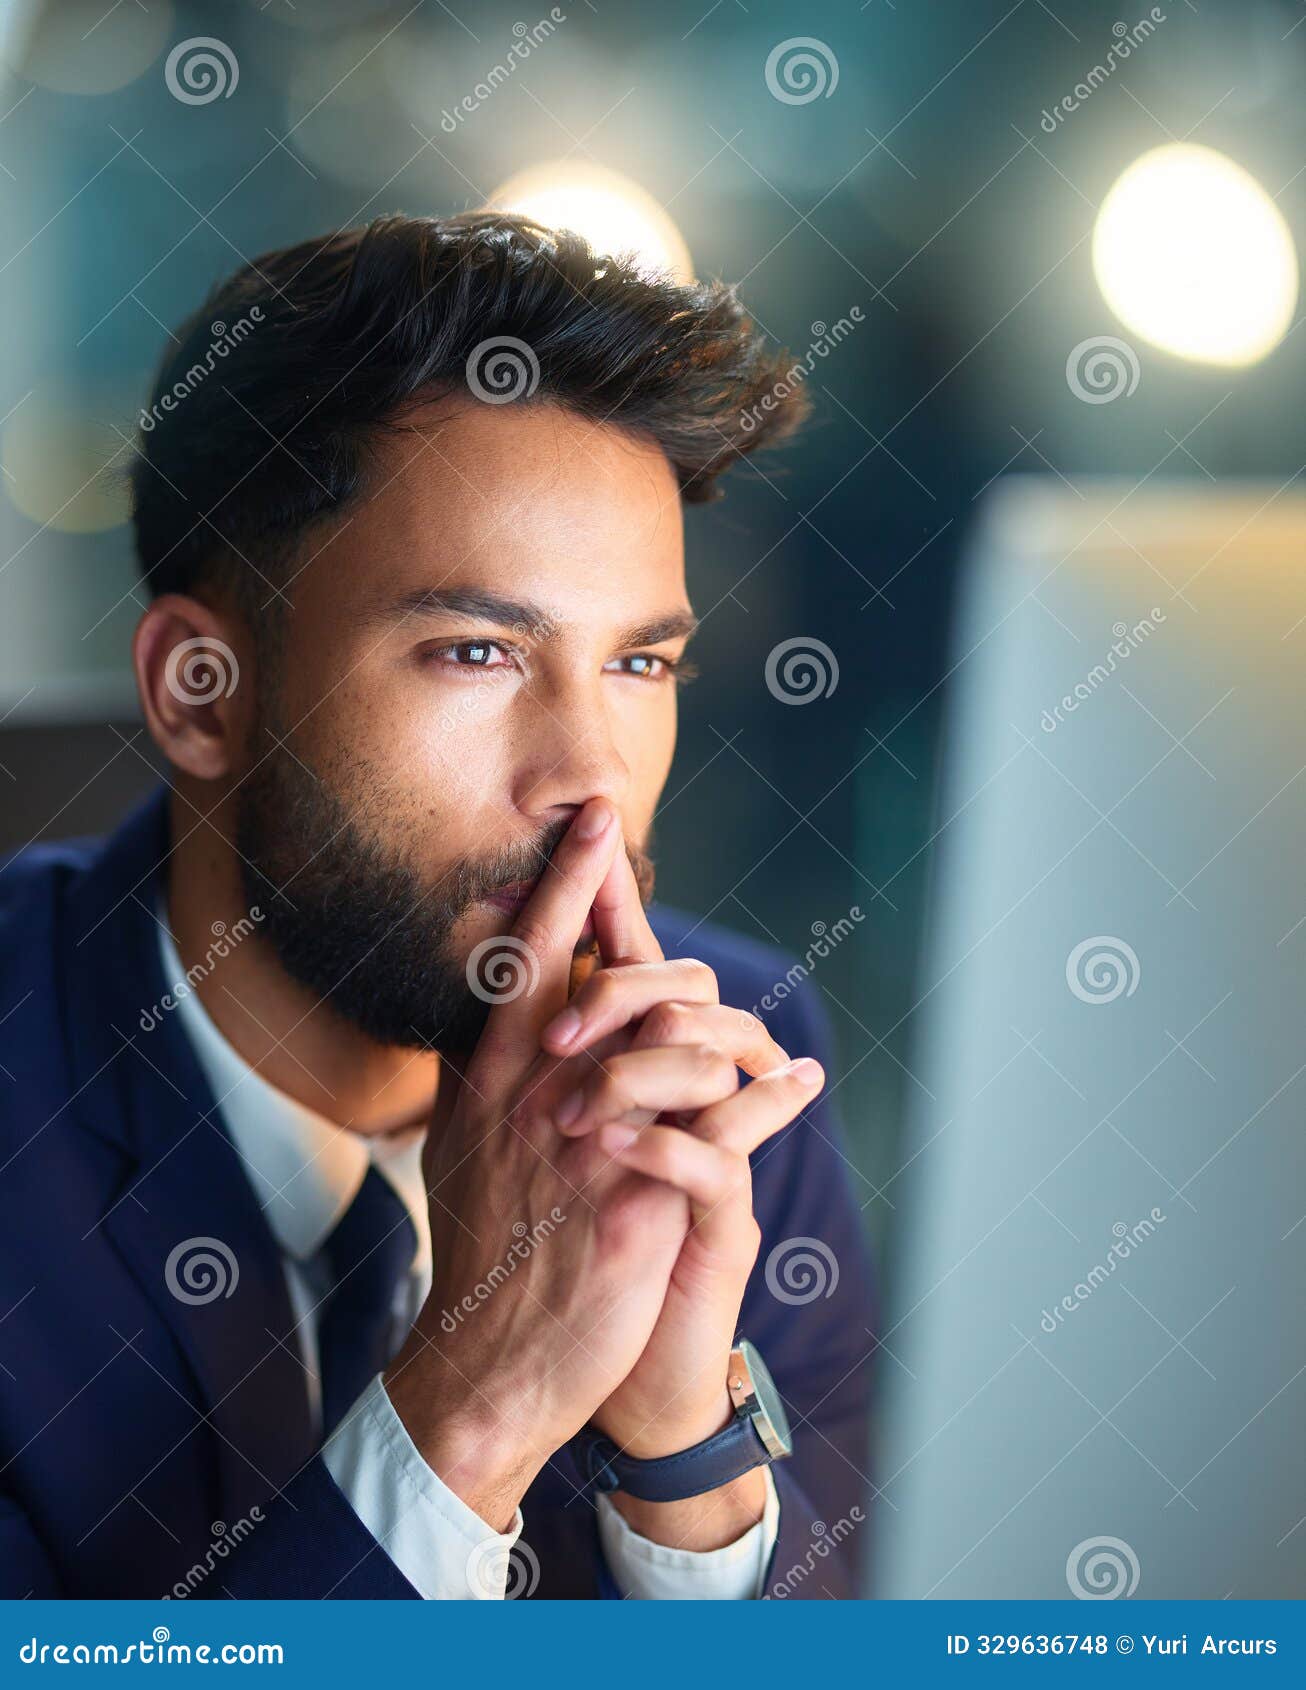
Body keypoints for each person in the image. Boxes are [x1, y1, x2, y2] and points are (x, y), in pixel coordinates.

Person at [0, 214, 874, 1599]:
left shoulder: (726, 1073)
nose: (590, 780)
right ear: (198, 691)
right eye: (476, 651)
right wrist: (472, 1403)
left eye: (640, 664)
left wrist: (678, 1455)